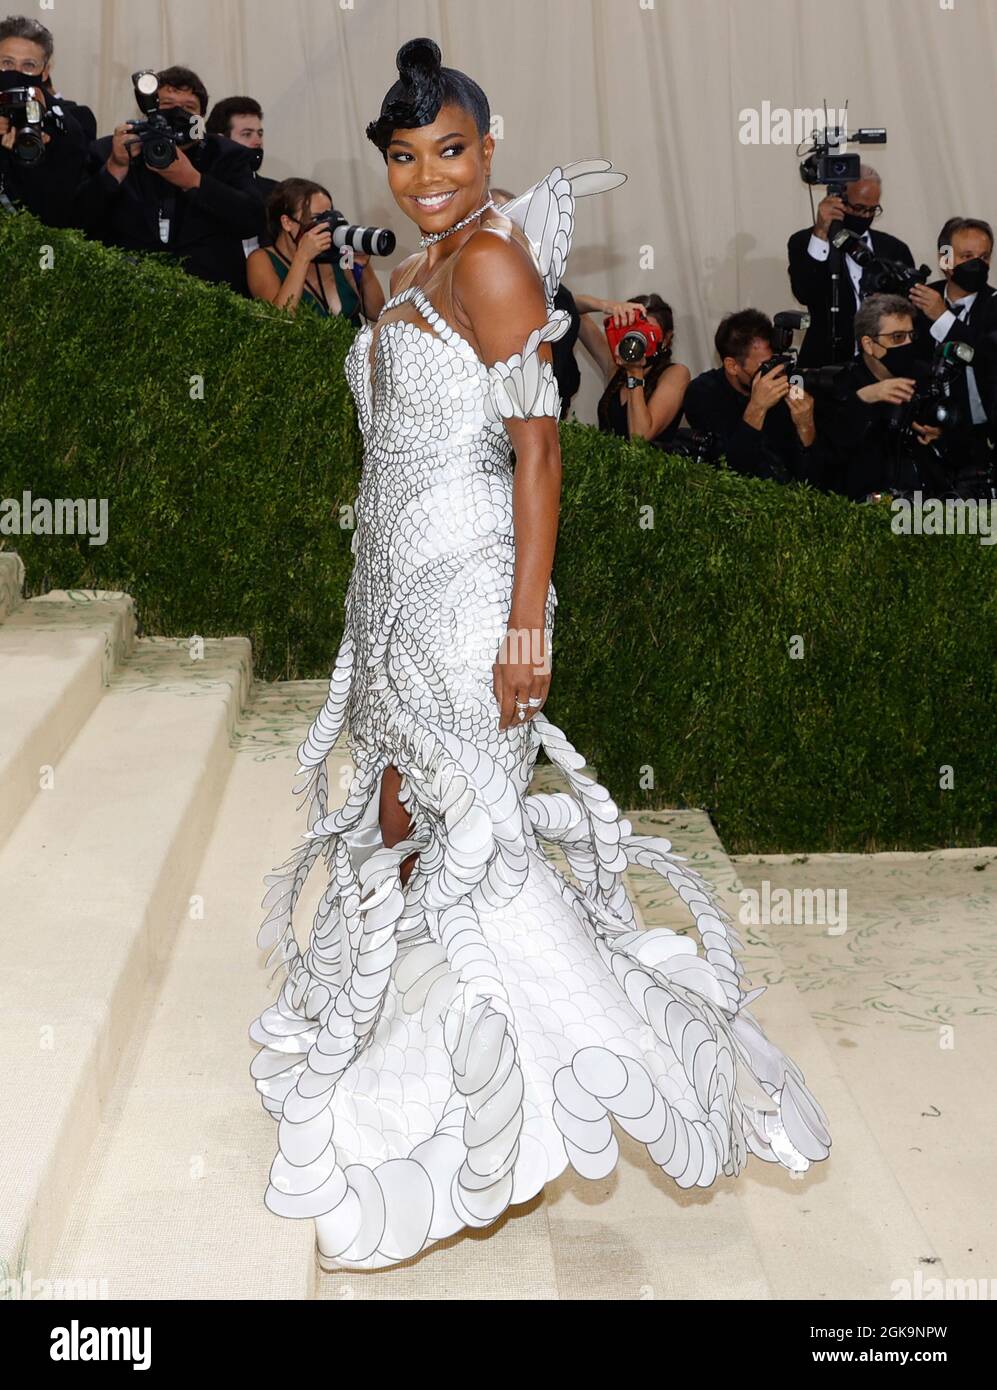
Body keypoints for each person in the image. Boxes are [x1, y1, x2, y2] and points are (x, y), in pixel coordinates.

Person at [248, 36, 830, 1273]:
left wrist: (523, 622)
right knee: (402, 815)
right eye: (404, 158)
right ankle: (427, 1065)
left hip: (472, 595)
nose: (426, 178)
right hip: (397, 587)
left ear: (488, 146)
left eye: (449, 151)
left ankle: (467, 1110)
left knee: (472, 843)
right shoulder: (421, 263)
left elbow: (539, 452)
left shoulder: (495, 259)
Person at [73, 66, 265, 296]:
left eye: (188, 108)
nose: (177, 114)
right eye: (166, 105)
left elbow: (252, 219)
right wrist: (115, 167)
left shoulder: (227, 155)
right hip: (125, 294)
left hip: (209, 299)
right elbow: (77, 222)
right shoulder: (110, 150)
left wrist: (194, 181)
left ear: (201, 118)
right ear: (149, 110)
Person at [819, 293, 949, 500]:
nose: (907, 344)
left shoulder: (923, 376)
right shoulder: (838, 382)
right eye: (897, 337)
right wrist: (863, 399)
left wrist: (939, 434)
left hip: (924, 501)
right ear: (868, 344)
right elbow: (830, 455)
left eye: (911, 336)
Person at [683, 308, 830, 486]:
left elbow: (817, 480)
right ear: (732, 366)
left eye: (776, 362)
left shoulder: (788, 388)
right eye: (765, 365)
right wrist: (757, 407)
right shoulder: (704, 393)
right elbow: (731, 470)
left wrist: (806, 426)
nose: (775, 372)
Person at [787, 164, 915, 367]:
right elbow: (805, 293)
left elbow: (908, 309)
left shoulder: (895, 249)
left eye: (872, 210)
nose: (865, 216)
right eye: (858, 208)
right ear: (839, 201)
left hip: (885, 364)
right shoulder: (804, 241)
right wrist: (821, 232)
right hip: (826, 363)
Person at [909, 217, 997, 496]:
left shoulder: (994, 304)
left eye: (984, 257)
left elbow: (984, 355)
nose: (977, 264)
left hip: (980, 440)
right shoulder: (919, 299)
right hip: (922, 434)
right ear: (945, 258)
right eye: (967, 256)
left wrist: (942, 318)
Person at [246, 177, 384, 324]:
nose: (327, 224)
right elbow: (278, 322)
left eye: (330, 215)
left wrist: (363, 268)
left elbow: (377, 313)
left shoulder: (338, 254)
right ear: (287, 222)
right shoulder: (261, 260)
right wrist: (303, 258)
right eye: (317, 218)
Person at [0, 14, 95, 227]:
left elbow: (61, 209)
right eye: (7, 63)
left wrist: (28, 156)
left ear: (45, 72)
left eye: (29, 65)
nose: (16, 73)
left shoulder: (69, 121)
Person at [596, 293, 689, 447]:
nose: (637, 337)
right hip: (604, 468)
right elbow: (570, 308)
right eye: (632, 328)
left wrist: (634, 372)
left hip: (648, 470)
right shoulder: (616, 366)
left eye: (646, 331)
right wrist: (606, 305)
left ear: (666, 339)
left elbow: (640, 438)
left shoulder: (676, 374)